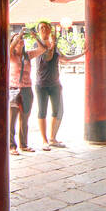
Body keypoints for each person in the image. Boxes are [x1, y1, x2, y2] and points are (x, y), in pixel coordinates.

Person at [32, 21, 64, 149]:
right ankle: (44, 140)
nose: (44, 29)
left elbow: (64, 58)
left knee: (57, 111)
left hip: (55, 83)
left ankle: (52, 138)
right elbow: (47, 56)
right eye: (41, 28)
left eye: (46, 27)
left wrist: (84, 53)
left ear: (50, 30)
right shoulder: (37, 44)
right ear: (39, 31)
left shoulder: (54, 45)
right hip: (42, 84)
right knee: (42, 111)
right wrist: (53, 44)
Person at [7, 29, 37, 154]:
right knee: (12, 118)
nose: (20, 41)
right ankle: (11, 146)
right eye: (18, 40)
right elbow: (10, 47)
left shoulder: (28, 55)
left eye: (22, 40)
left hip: (27, 89)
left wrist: (35, 36)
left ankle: (24, 144)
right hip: (14, 88)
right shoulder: (11, 55)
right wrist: (17, 35)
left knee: (24, 119)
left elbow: (43, 48)